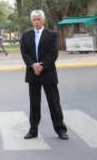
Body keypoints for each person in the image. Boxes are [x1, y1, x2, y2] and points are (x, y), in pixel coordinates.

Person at [20, 10, 68, 140]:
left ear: (43, 20)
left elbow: (54, 53)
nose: (36, 21)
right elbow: (24, 53)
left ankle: (61, 130)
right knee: (34, 104)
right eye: (34, 19)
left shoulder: (51, 34)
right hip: (32, 73)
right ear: (32, 21)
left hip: (48, 73)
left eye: (38, 19)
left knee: (54, 102)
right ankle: (33, 130)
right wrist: (33, 65)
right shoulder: (26, 35)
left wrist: (42, 66)